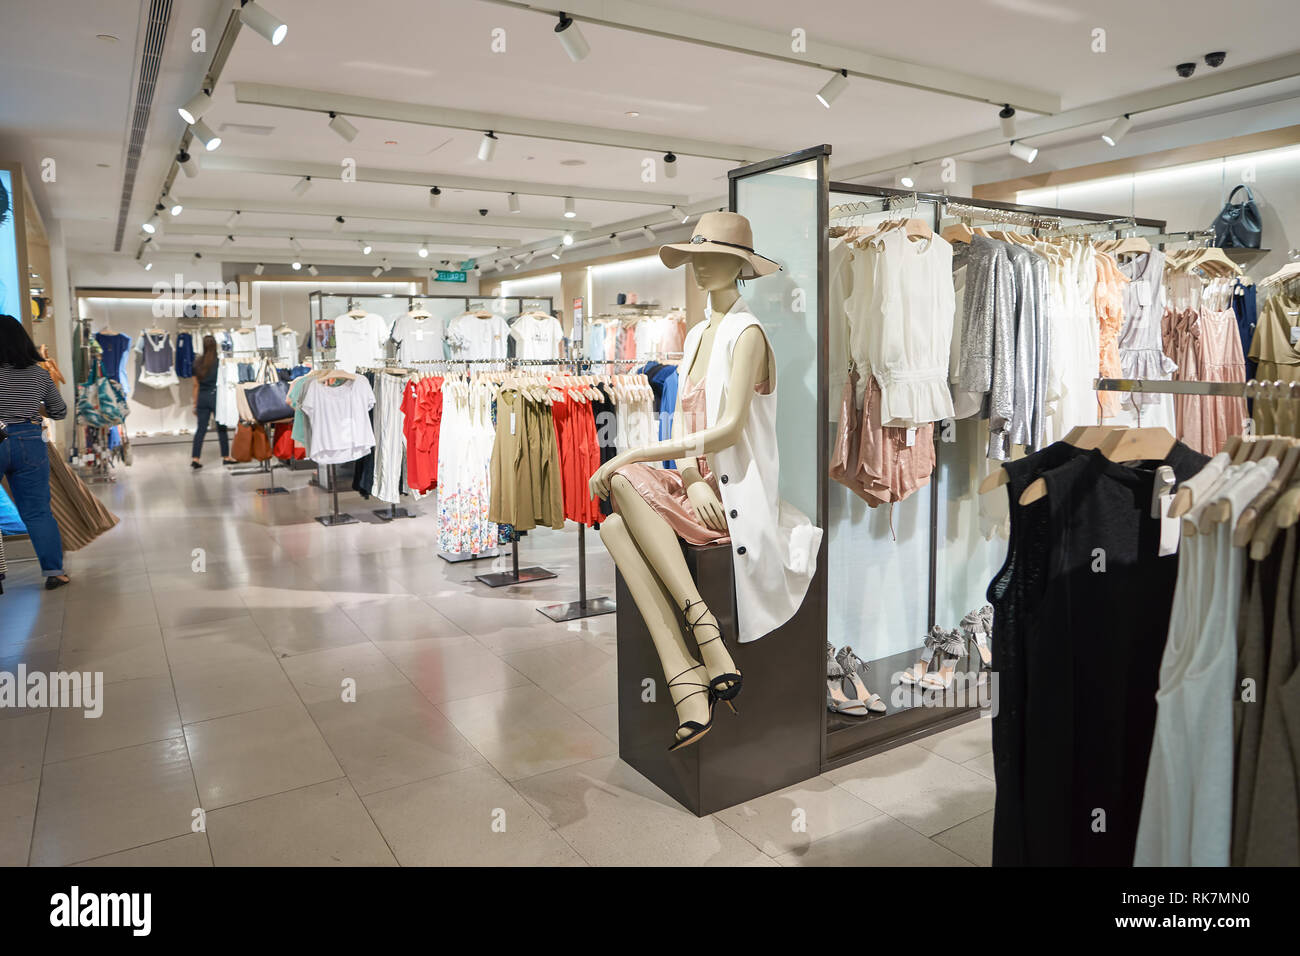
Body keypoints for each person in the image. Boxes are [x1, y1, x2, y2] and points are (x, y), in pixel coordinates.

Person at [0, 313, 70, 589]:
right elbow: (59, 411)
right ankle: (55, 572)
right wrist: (33, 409)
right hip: (29, 439)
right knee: (38, 511)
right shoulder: (39, 374)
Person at [190, 334, 234, 468]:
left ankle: (195, 458)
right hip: (216, 397)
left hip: (202, 398)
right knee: (221, 428)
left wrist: (195, 404)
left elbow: (196, 385)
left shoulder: (197, 362)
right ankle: (226, 456)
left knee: (201, 429)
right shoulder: (219, 362)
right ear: (215, 345)